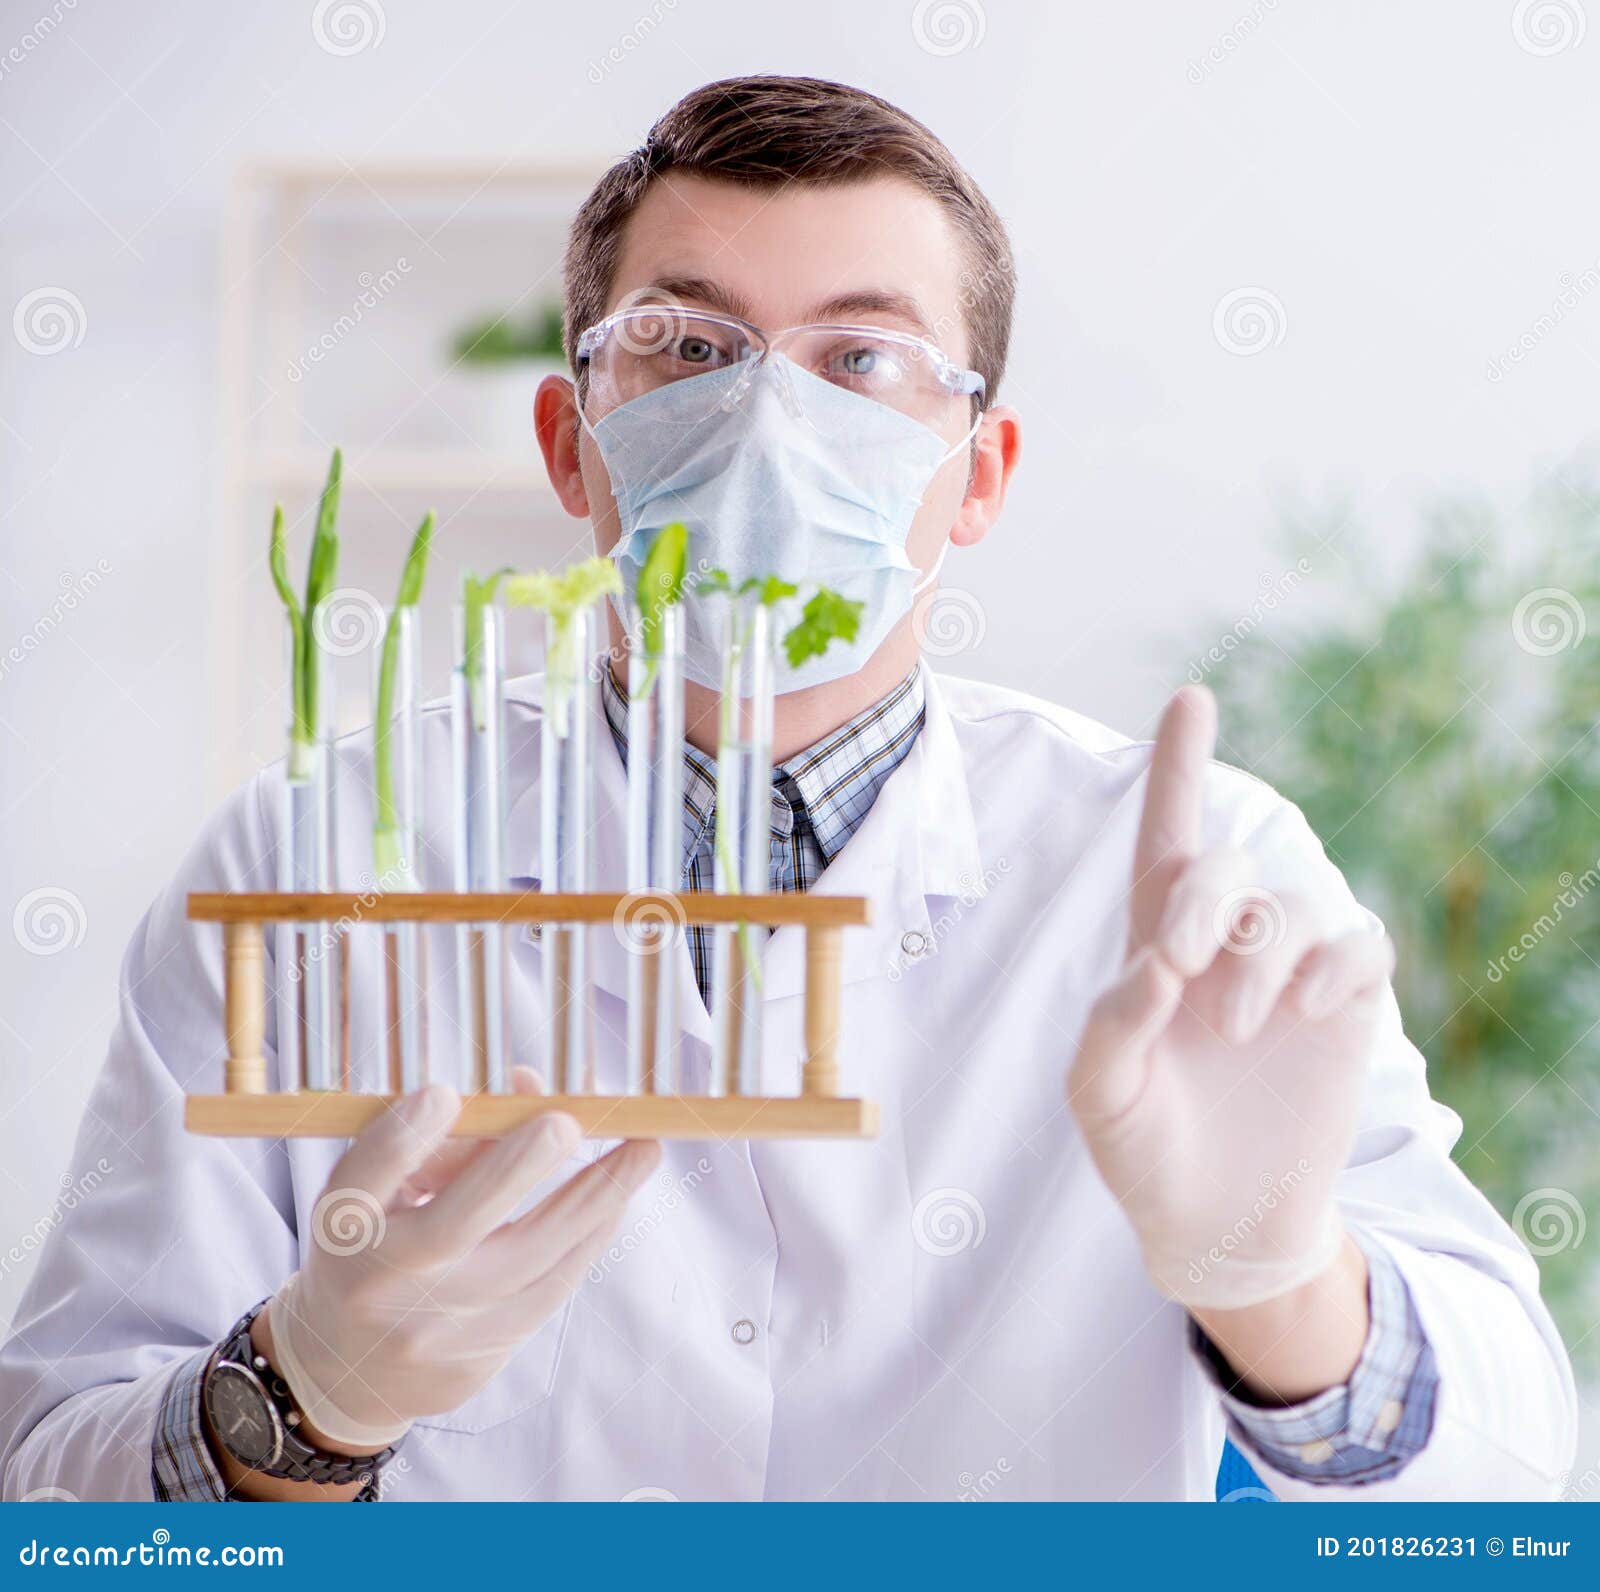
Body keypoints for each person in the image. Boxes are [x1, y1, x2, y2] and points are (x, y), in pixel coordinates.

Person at [0, 75, 1576, 1503]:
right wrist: (299, 1400)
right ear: (570, 443)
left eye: (863, 359)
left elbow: (1511, 1484)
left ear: (982, 476)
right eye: (688, 345)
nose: (769, 415)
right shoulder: (317, 859)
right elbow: (52, 1501)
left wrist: (1278, 1282)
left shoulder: (1192, 874)